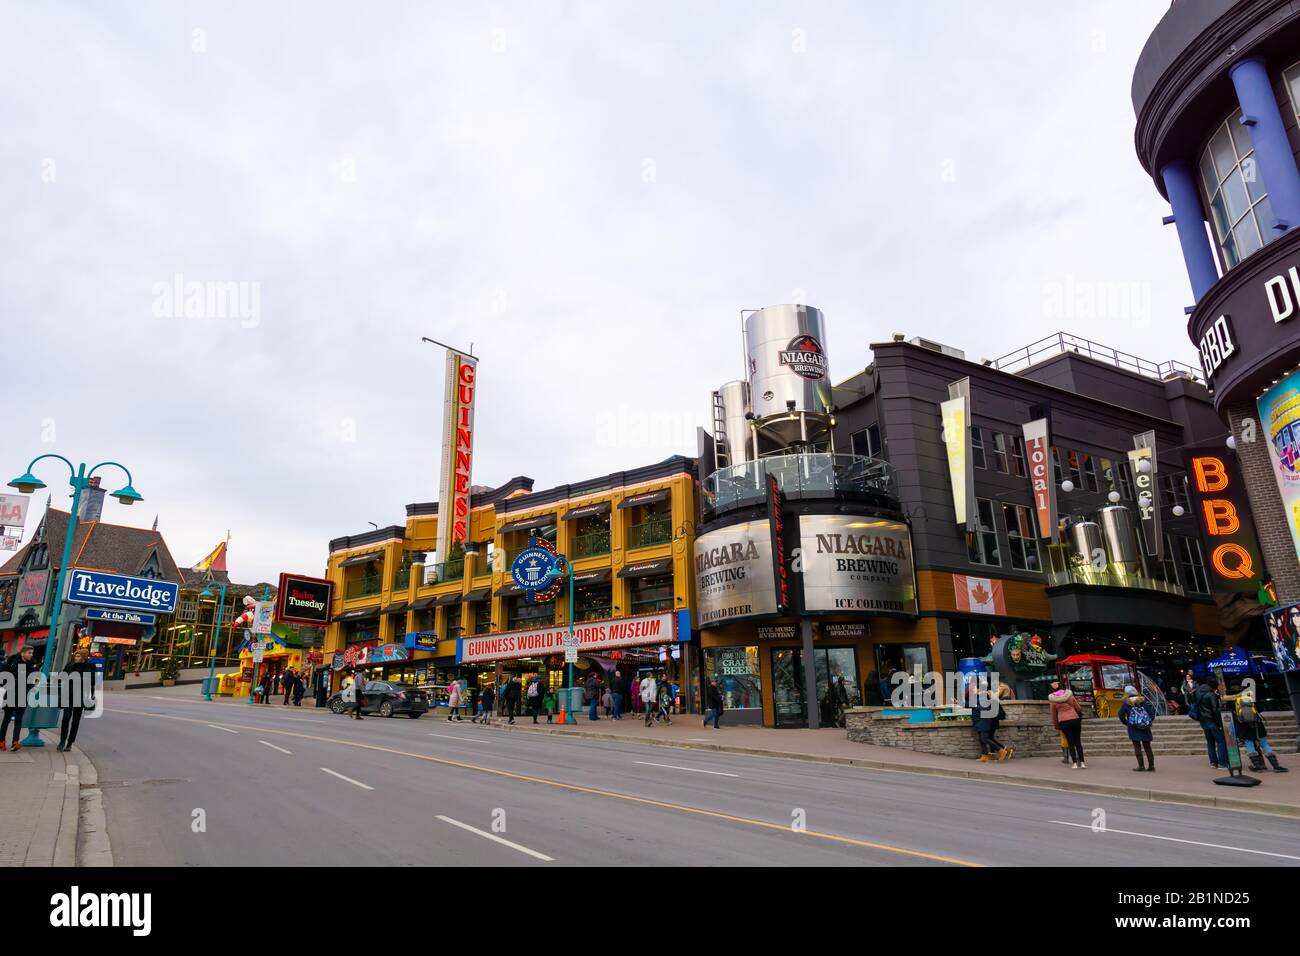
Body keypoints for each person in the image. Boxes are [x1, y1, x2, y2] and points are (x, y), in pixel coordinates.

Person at [1225, 686, 1288, 773]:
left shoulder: (1233, 699)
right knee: (1264, 743)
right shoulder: (1250, 696)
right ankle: (1276, 766)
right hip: (1257, 724)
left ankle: (1258, 766)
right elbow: (1260, 709)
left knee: (1249, 744)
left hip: (1243, 725)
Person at [57, 649, 97, 752]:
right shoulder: (70, 665)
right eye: (75, 656)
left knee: (75, 721)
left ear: (84, 657)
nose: (76, 658)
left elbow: (93, 680)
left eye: (78, 656)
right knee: (66, 718)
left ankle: (70, 743)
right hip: (68, 695)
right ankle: (62, 741)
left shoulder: (90, 666)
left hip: (81, 696)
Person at [0, 645, 37, 751]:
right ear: (22, 653)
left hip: (23, 694)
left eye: (32, 653)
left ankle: (15, 742)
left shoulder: (32, 665)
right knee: (7, 719)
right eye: (29, 653)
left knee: (19, 719)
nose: (31, 655)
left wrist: (30, 686)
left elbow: (34, 678)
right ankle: (1, 741)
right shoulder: (12, 662)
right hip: (11, 693)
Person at [1192, 677, 1229, 770]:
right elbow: (1215, 710)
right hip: (1212, 720)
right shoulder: (1211, 695)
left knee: (1210, 741)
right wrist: (1219, 722)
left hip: (1203, 720)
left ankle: (1213, 762)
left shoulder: (1197, 693)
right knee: (1220, 741)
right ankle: (1222, 763)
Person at [1118, 684, 1155, 772]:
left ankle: (1141, 766)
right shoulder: (1142, 701)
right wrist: (1146, 722)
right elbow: (1152, 715)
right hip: (1145, 727)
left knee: (1137, 746)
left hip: (1133, 727)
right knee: (1147, 747)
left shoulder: (1126, 703)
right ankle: (1151, 766)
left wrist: (1127, 723)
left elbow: (1121, 715)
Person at [1049, 681, 1086, 769]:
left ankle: (1074, 764)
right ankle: (1083, 763)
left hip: (1063, 722)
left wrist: (1056, 726)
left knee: (1070, 743)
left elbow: (1053, 715)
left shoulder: (1053, 700)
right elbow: (1079, 708)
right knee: (1078, 742)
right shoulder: (1070, 696)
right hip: (1075, 720)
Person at [973, 680, 1011, 762]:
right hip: (983, 721)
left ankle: (1001, 750)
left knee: (985, 738)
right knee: (983, 739)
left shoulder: (984, 696)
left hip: (984, 721)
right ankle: (986, 755)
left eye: (975, 688)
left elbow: (985, 708)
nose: (973, 690)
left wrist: (975, 706)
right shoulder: (981, 696)